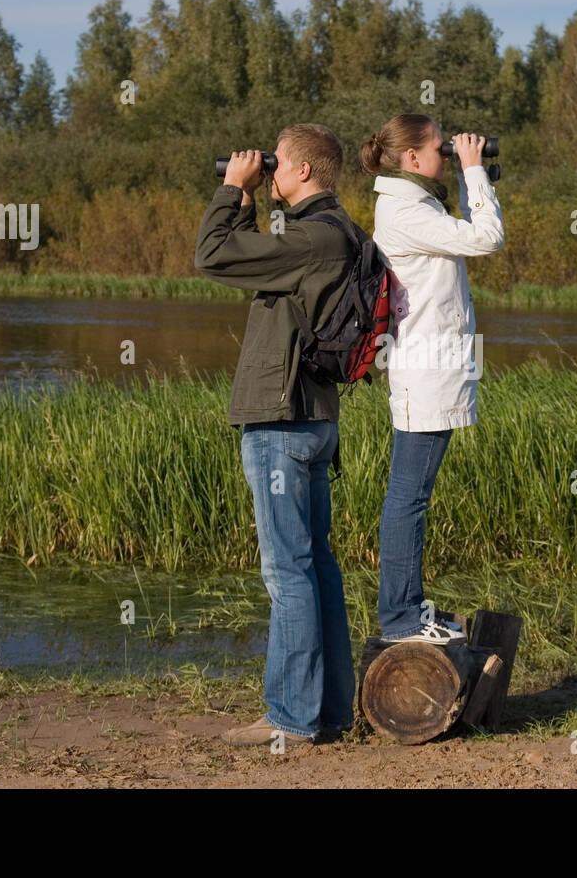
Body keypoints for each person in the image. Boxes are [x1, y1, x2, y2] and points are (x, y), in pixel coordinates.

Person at [194, 123, 357, 746]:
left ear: (306, 171)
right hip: (315, 419)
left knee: (287, 571)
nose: (270, 171)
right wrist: (250, 199)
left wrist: (233, 188)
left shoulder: (309, 239)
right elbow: (249, 257)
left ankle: (290, 718)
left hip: (280, 422)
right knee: (316, 566)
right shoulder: (332, 232)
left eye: (278, 165)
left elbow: (213, 256)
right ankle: (332, 711)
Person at [359, 114, 504, 644]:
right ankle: (400, 618)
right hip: (424, 372)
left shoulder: (416, 205)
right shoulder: (404, 211)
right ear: (412, 159)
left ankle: (409, 609)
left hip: (432, 368)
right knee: (408, 498)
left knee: (411, 495)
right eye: (440, 149)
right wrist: (473, 169)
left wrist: (471, 173)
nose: (447, 154)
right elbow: (488, 239)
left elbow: (469, 241)